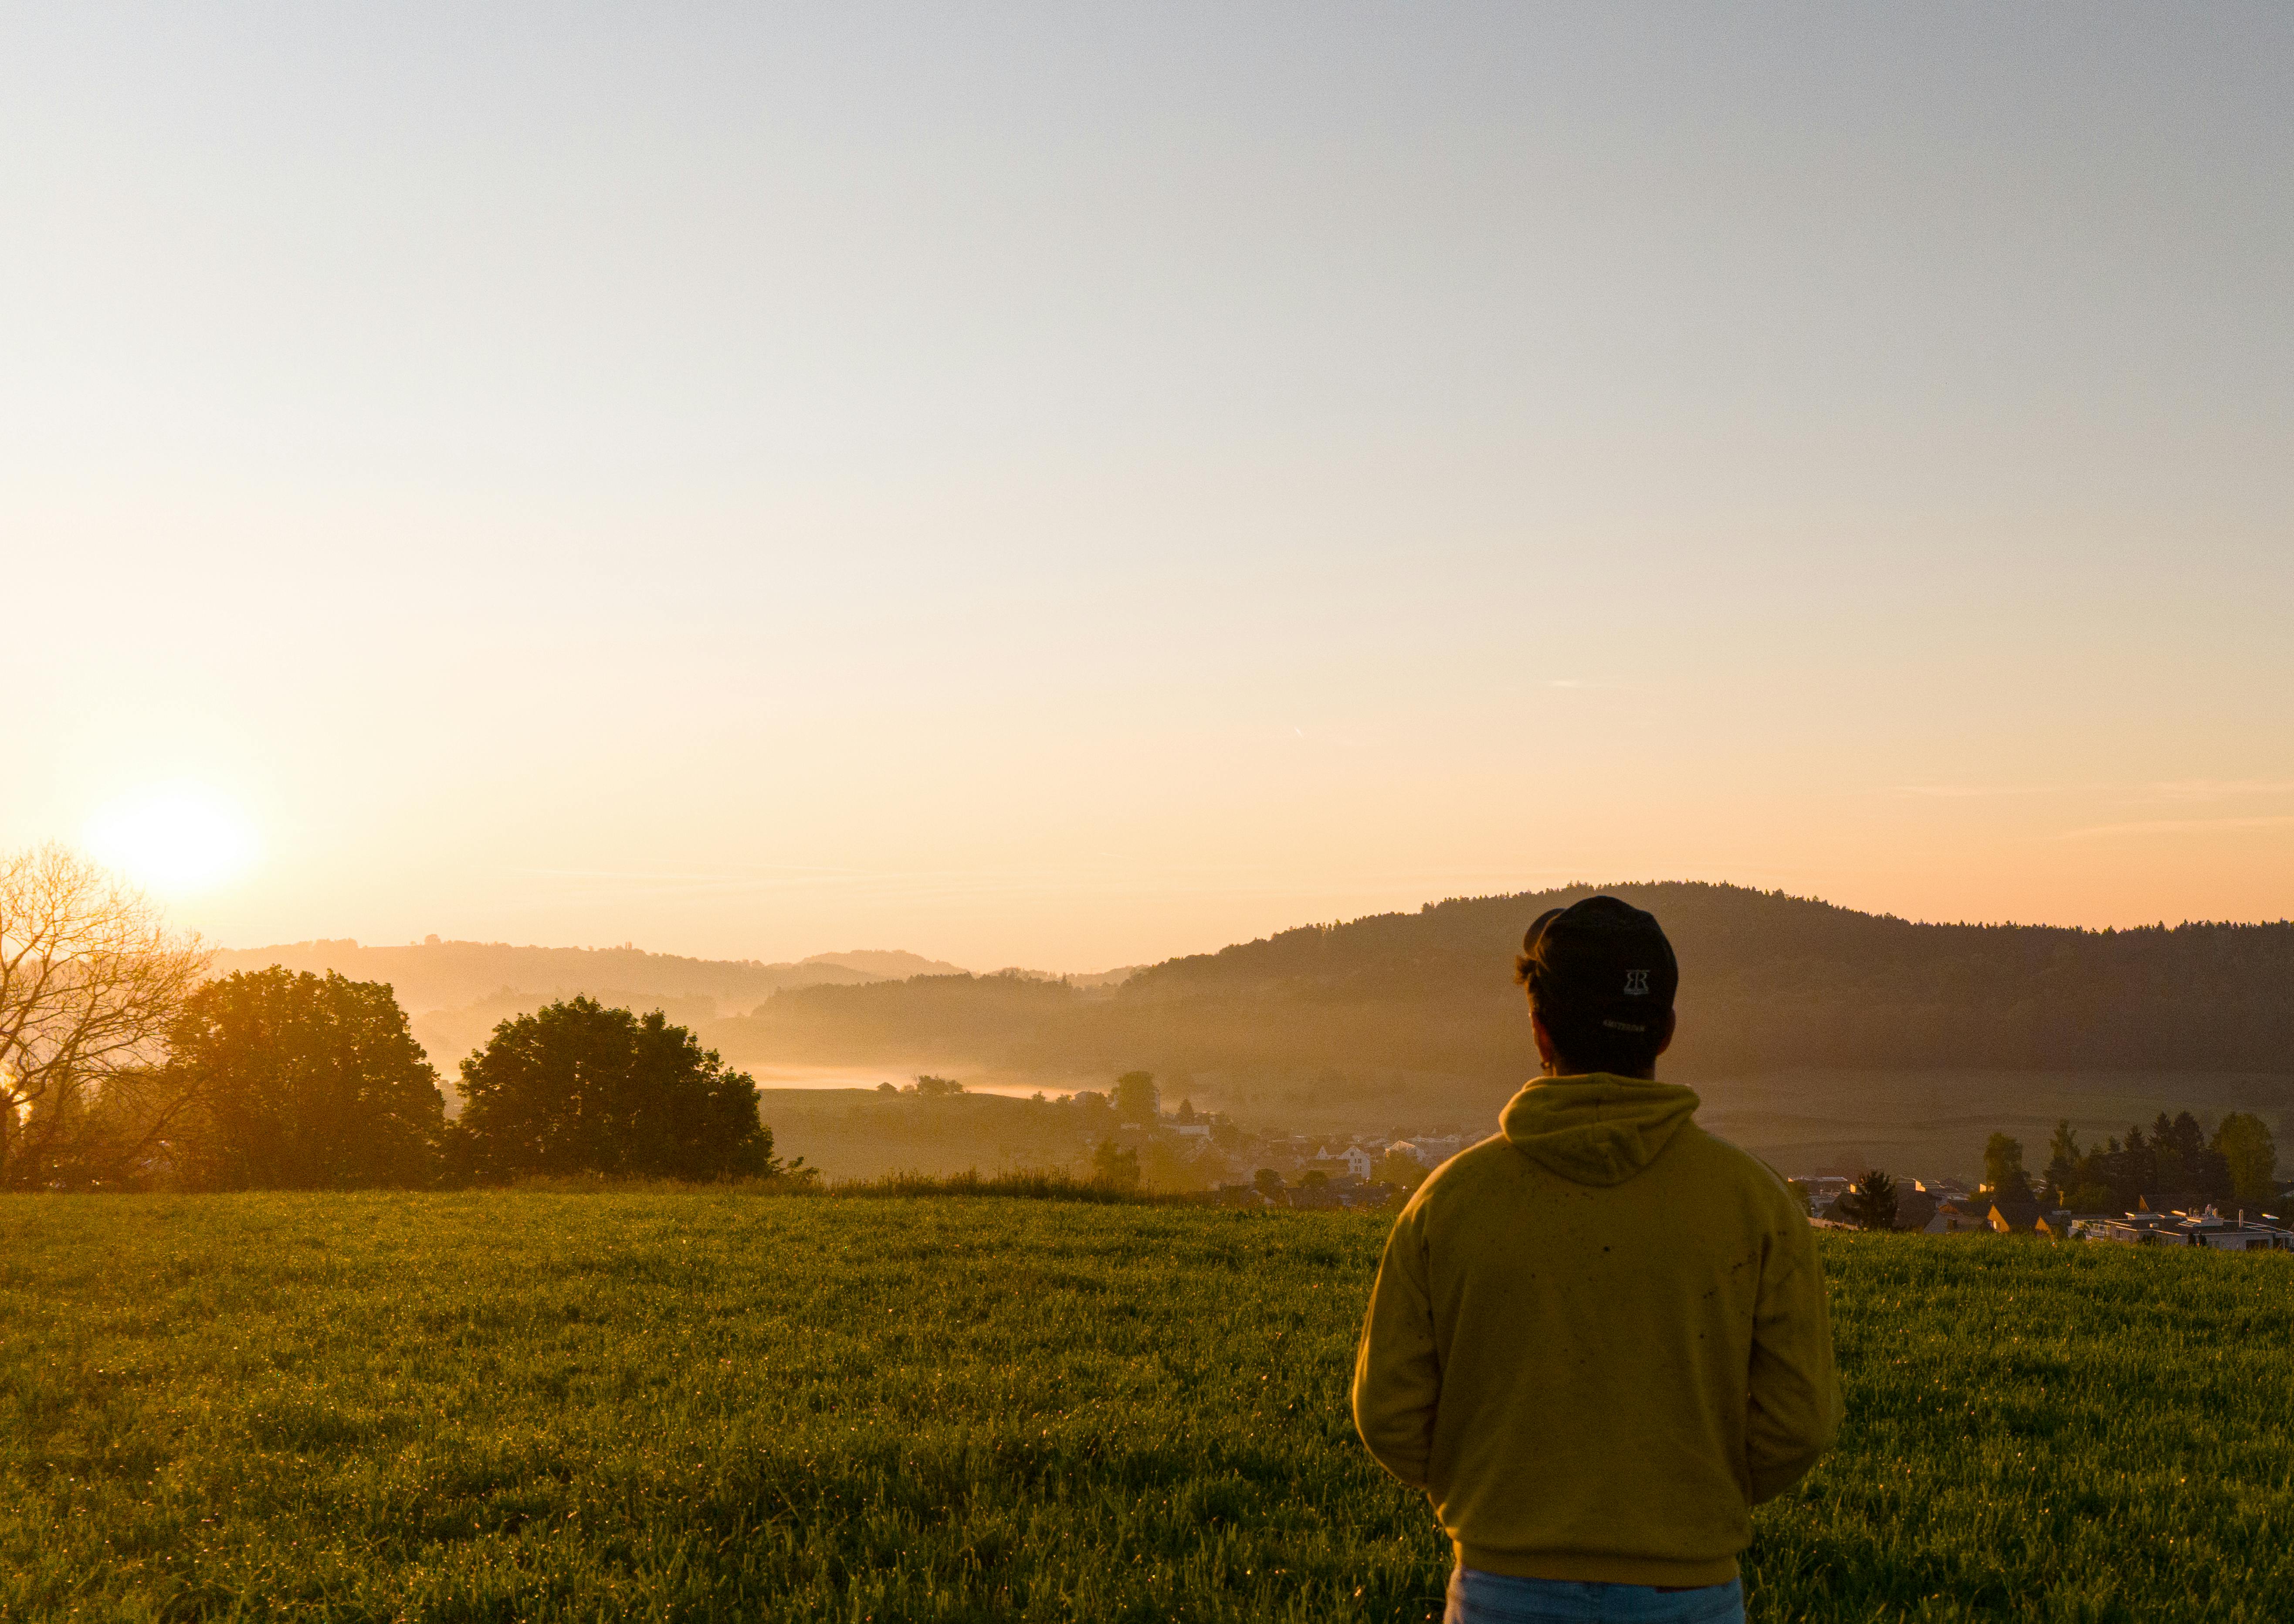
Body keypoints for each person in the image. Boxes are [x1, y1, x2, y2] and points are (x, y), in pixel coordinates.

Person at [1352, 895, 1841, 1624]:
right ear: (1667, 1031)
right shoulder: (1755, 1203)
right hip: (1690, 1593)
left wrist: (1496, 1499)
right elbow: (1798, 1423)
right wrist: (1691, 1500)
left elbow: (1386, 1412)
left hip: (1502, 1588)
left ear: (1539, 1030)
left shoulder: (1448, 1202)